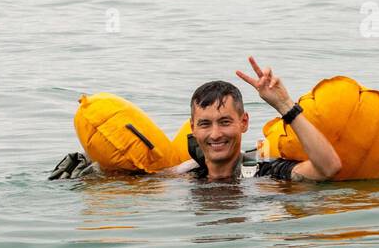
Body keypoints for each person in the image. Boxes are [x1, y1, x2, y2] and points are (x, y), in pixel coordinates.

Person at [49, 57, 342, 182]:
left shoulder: (265, 174)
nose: (215, 134)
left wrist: (284, 105)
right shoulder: (184, 174)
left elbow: (328, 168)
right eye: (205, 124)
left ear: (244, 122)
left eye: (225, 121)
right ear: (193, 129)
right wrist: (91, 172)